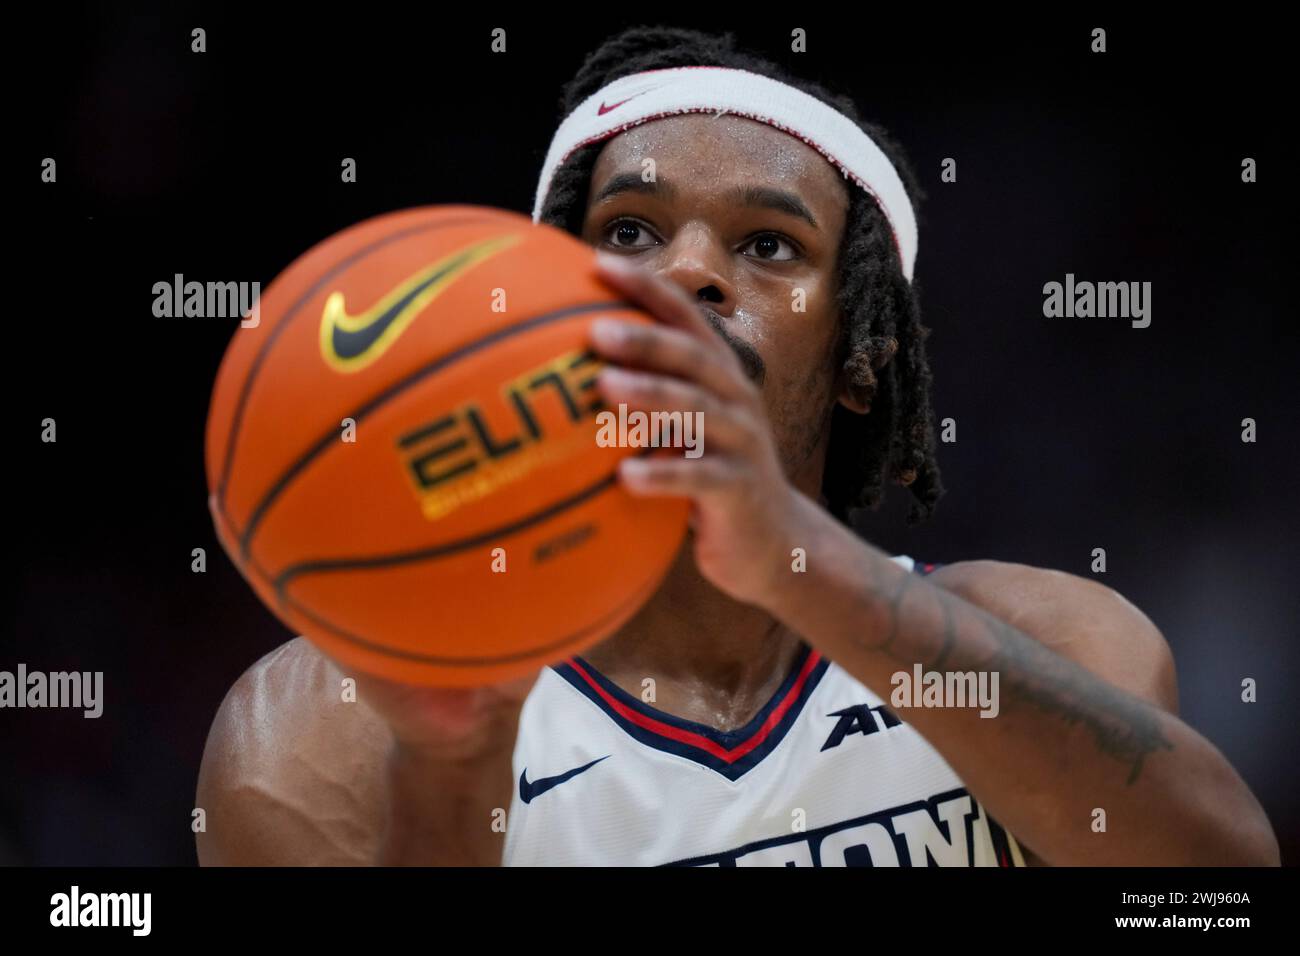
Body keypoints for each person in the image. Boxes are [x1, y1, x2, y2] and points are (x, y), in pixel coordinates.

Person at [195, 26, 1279, 866]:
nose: (688, 275)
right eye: (627, 231)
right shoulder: (320, 731)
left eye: (768, 244)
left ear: (861, 357)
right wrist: (453, 768)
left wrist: (793, 563)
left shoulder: (1053, 638)